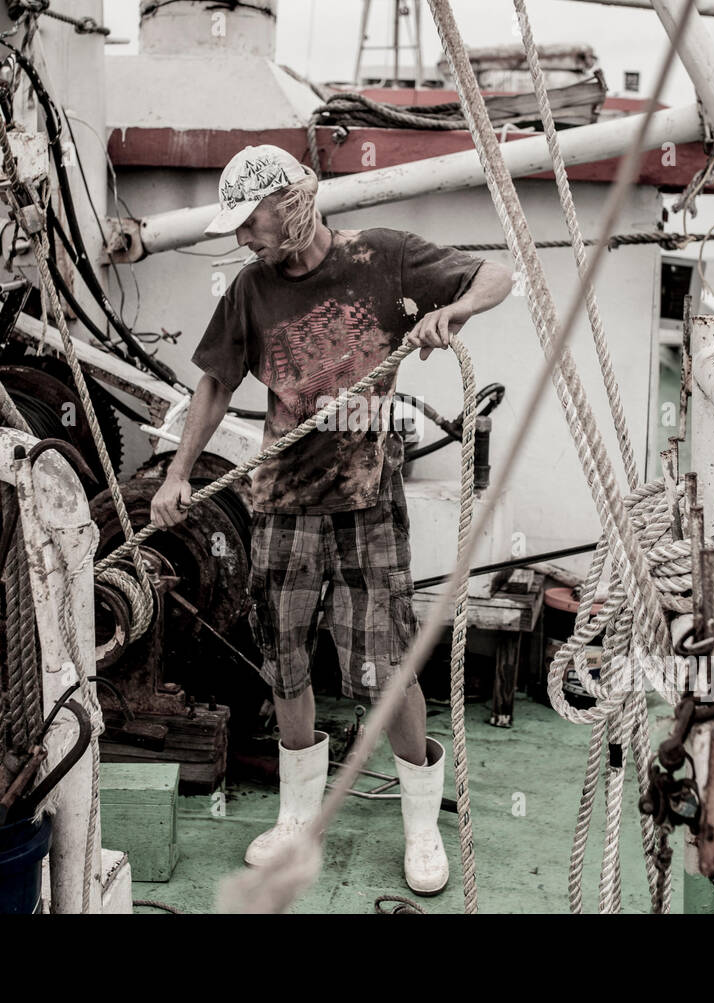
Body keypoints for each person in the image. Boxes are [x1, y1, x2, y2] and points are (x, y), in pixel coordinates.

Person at [151, 144, 513, 895]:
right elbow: (215, 384)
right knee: (284, 661)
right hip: (283, 506)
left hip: (368, 503)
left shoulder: (384, 258)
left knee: (385, 667)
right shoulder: (251, 290)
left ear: (288, 206)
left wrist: (454, 311)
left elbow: (497, 274)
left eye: (248, 223)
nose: (242, 240)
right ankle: (295, 818)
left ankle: (419, 829)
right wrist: (178, 473)